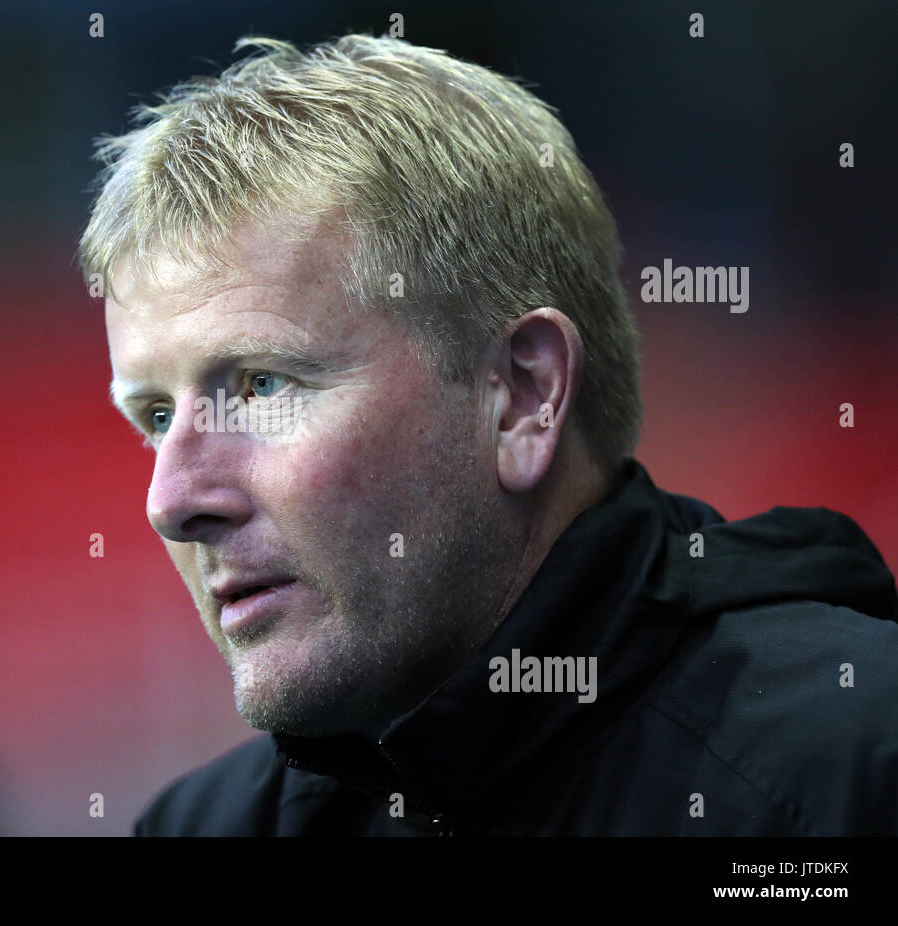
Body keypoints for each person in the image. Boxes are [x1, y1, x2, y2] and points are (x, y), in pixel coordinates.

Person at [76, 34, 898, 835]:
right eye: (156, 417)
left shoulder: (852, 771)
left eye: (262, 385)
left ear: (522, 398)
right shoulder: (197, 826)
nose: (170, 502)